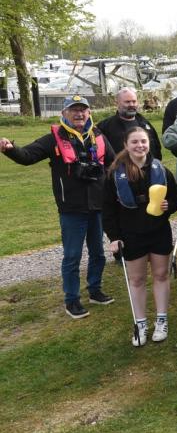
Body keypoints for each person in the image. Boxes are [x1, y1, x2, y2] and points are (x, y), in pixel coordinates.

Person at [1, 95, 115, 318]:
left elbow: (113, 161)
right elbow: (27, 156)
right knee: (72, 256)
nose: (79, 114)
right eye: (74, 110)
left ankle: (95, 290)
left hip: (97, 206)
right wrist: (10, 148)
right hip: (71, 208)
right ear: (64, 114)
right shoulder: (54, 138)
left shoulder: (98, 135)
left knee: (98, 253)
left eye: (83, 110)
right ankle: (71, 301)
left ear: (89, 113)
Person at [101, 126, 177, 345]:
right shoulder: (114, 173)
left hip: (158, 231)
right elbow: (107, 209)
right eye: (135, 142)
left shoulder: (161, 170)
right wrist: (113, 236)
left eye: (143, 141)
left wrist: (169, 205)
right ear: (126, 145)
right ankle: (141, 323)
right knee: (136, 279)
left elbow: (176, 200)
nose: (140, 146)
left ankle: (162, 320)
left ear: (149, 144)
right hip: (131, 234)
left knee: (161, 275)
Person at [96, 87, 163, 159]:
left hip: (147, 168)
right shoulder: (104, 127)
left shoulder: (145, 124)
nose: (131, 104)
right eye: (127, 102)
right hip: (119, 169)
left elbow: (156, 149)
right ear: (117, 103)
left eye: (134, 101)